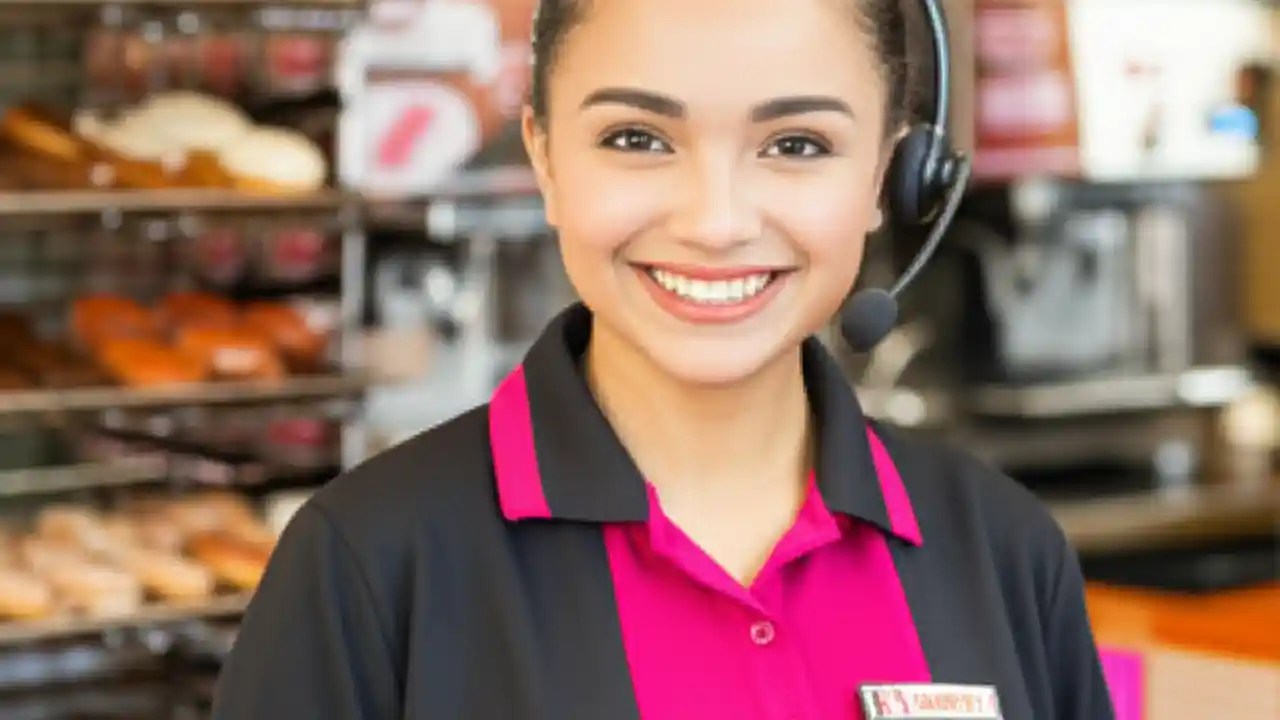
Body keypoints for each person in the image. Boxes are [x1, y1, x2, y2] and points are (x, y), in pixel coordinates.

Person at [212, 0, 1116, 718]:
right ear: (546, 159)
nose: (715, 222)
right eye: (637, 139)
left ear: (888, 174)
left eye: (795, 145)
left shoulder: (1005, 550)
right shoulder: (369, 563)